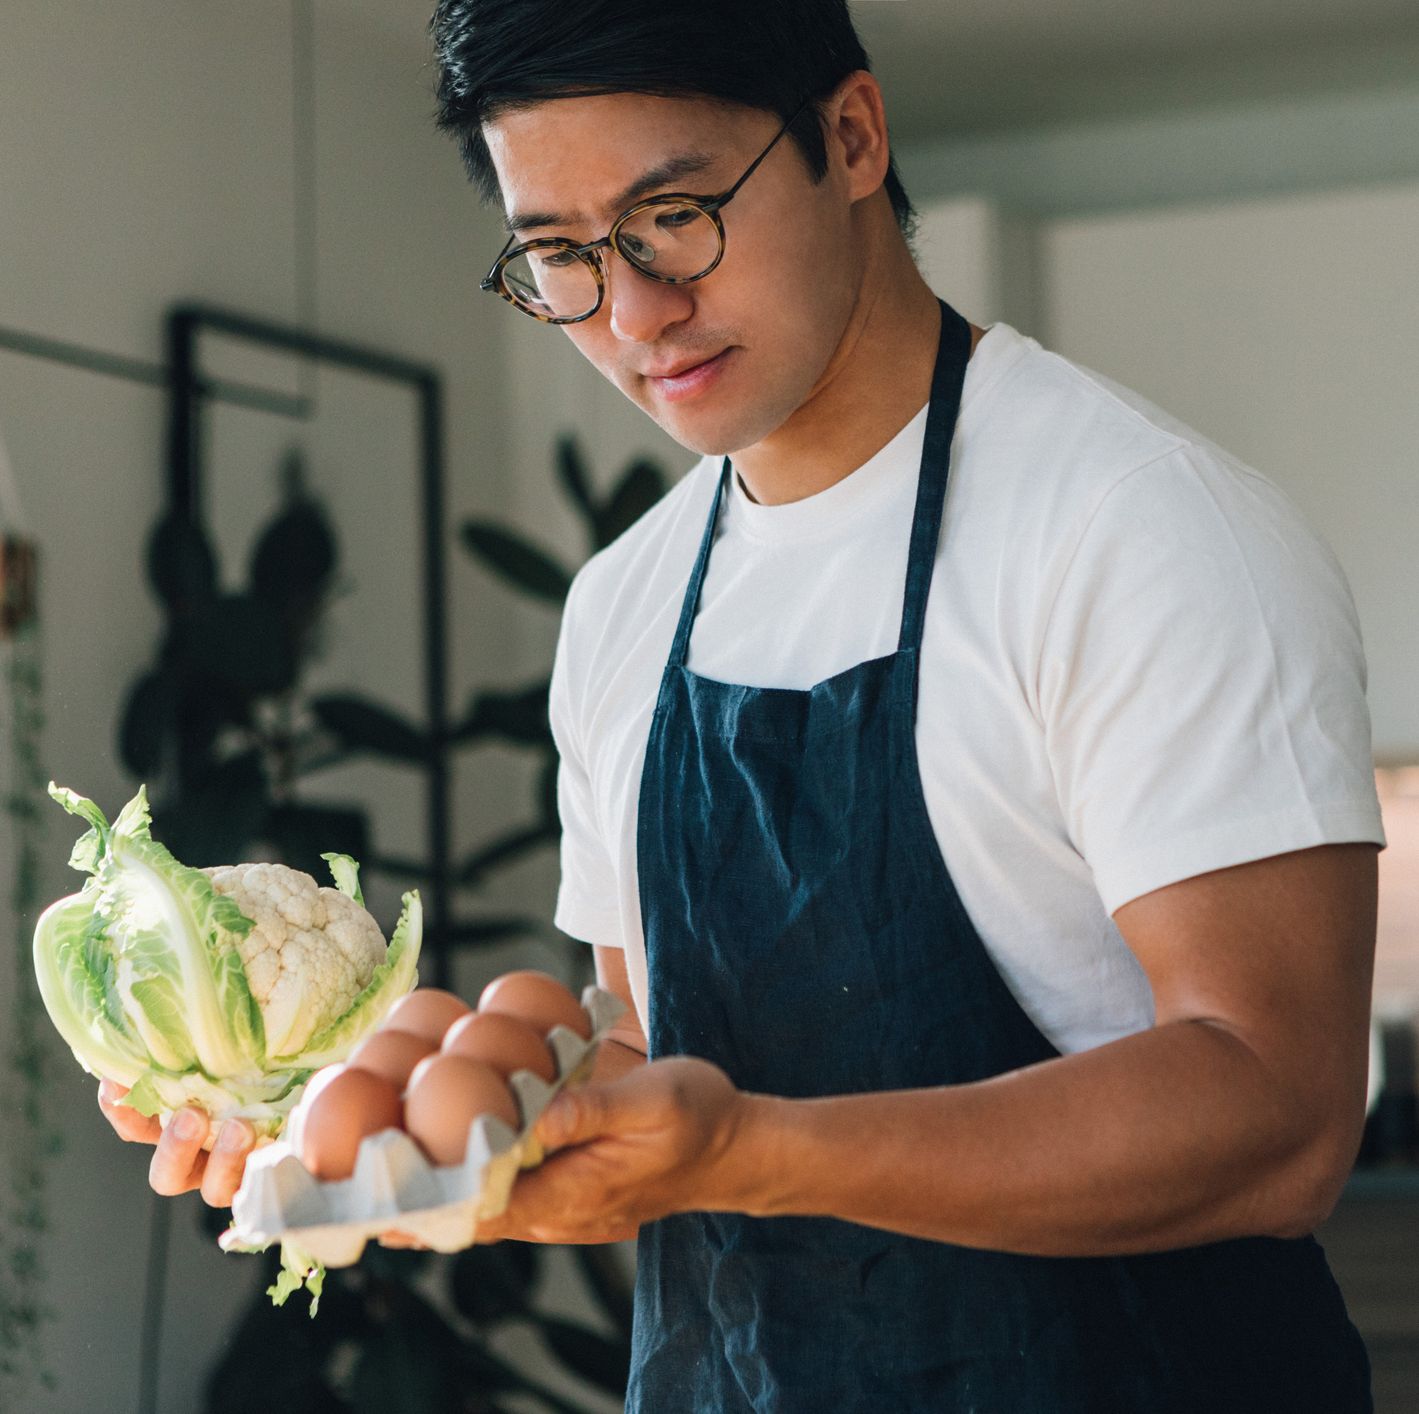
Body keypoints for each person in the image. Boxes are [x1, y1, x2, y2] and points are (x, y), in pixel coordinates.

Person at [105, 1, 1388, 1408]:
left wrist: (749, 1151)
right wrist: (373, 1128)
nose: (634, 313)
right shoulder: (625, 604)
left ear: (851, 136)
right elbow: (651, 1049)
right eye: (561, 259)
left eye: (673, 216)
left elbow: (1278, 1113)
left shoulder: (1137, 529)